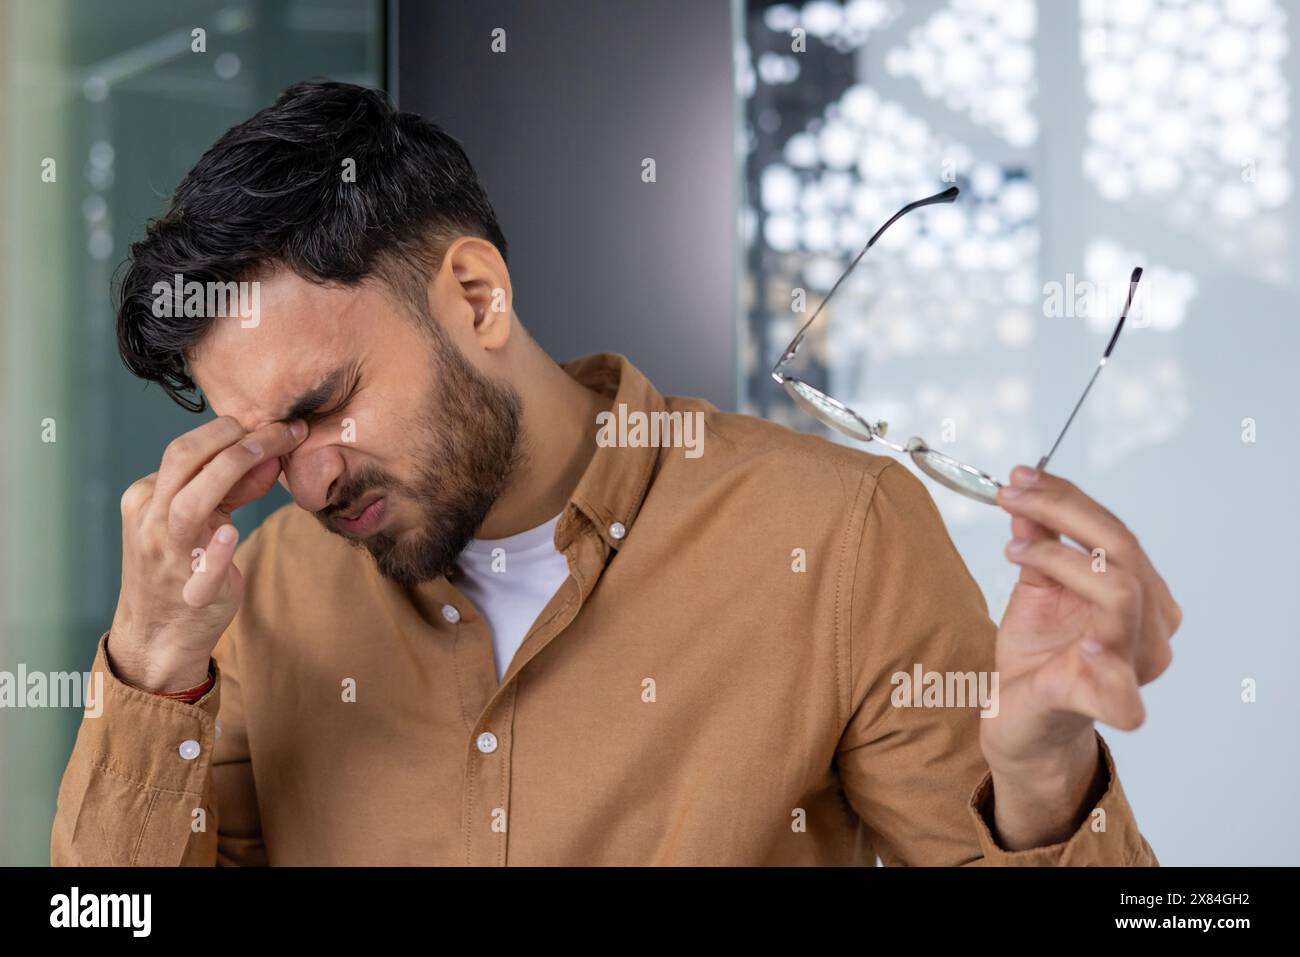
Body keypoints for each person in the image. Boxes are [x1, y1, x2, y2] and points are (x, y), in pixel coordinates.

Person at [52, 80, 1179, 866]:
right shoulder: (258, 605)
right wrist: (152, 666)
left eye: (322, 406)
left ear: (477, 296)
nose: (309, 486)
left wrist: (1039, 775)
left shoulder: (835, 536)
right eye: (266, 446)